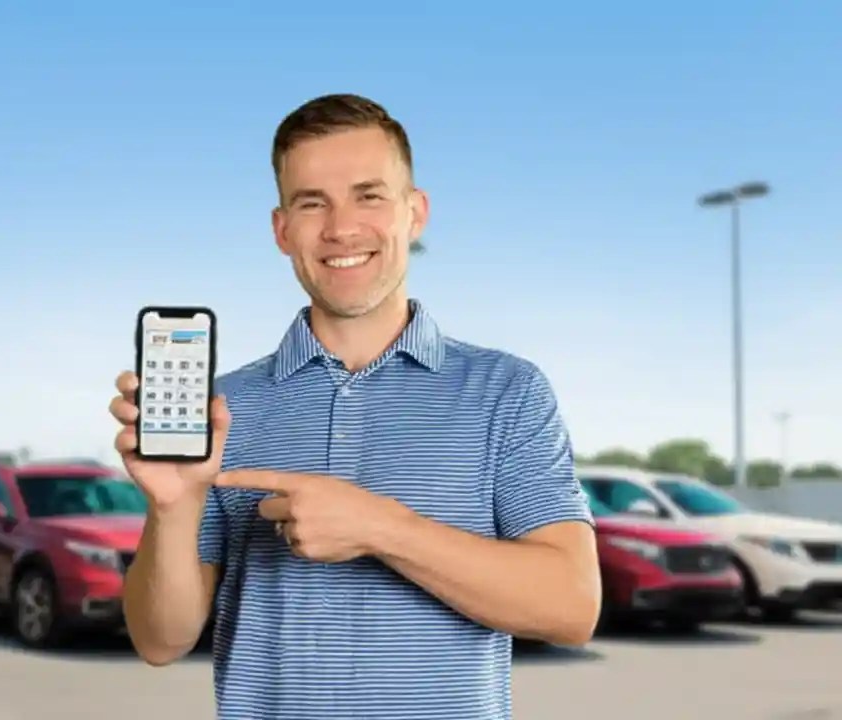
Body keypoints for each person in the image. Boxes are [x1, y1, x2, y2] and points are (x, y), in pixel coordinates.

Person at [108, 93, 600, 720]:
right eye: (313, 203)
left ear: (414, 213)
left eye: (369, 195)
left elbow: (572, 607)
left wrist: (380, 528)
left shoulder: (508, 391)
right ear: (282, 229)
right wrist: (173, 509)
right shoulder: (222, 409)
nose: (341, 227)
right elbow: (159, 640)